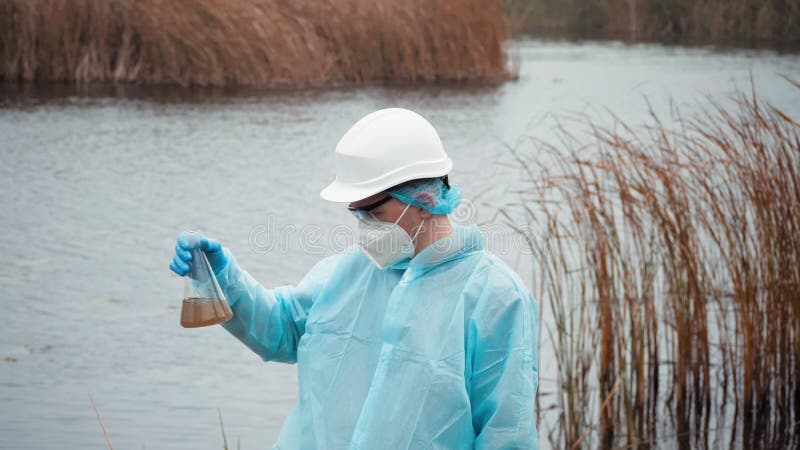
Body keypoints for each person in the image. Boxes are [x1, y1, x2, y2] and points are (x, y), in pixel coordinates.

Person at [169, 108, 539, 449]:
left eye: (374, 212)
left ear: (424, 197)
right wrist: (224, 278)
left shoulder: (497, 299)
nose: (365, 226)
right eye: (357, 214)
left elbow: (507, 435)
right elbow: (281, 330)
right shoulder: (349, 272)